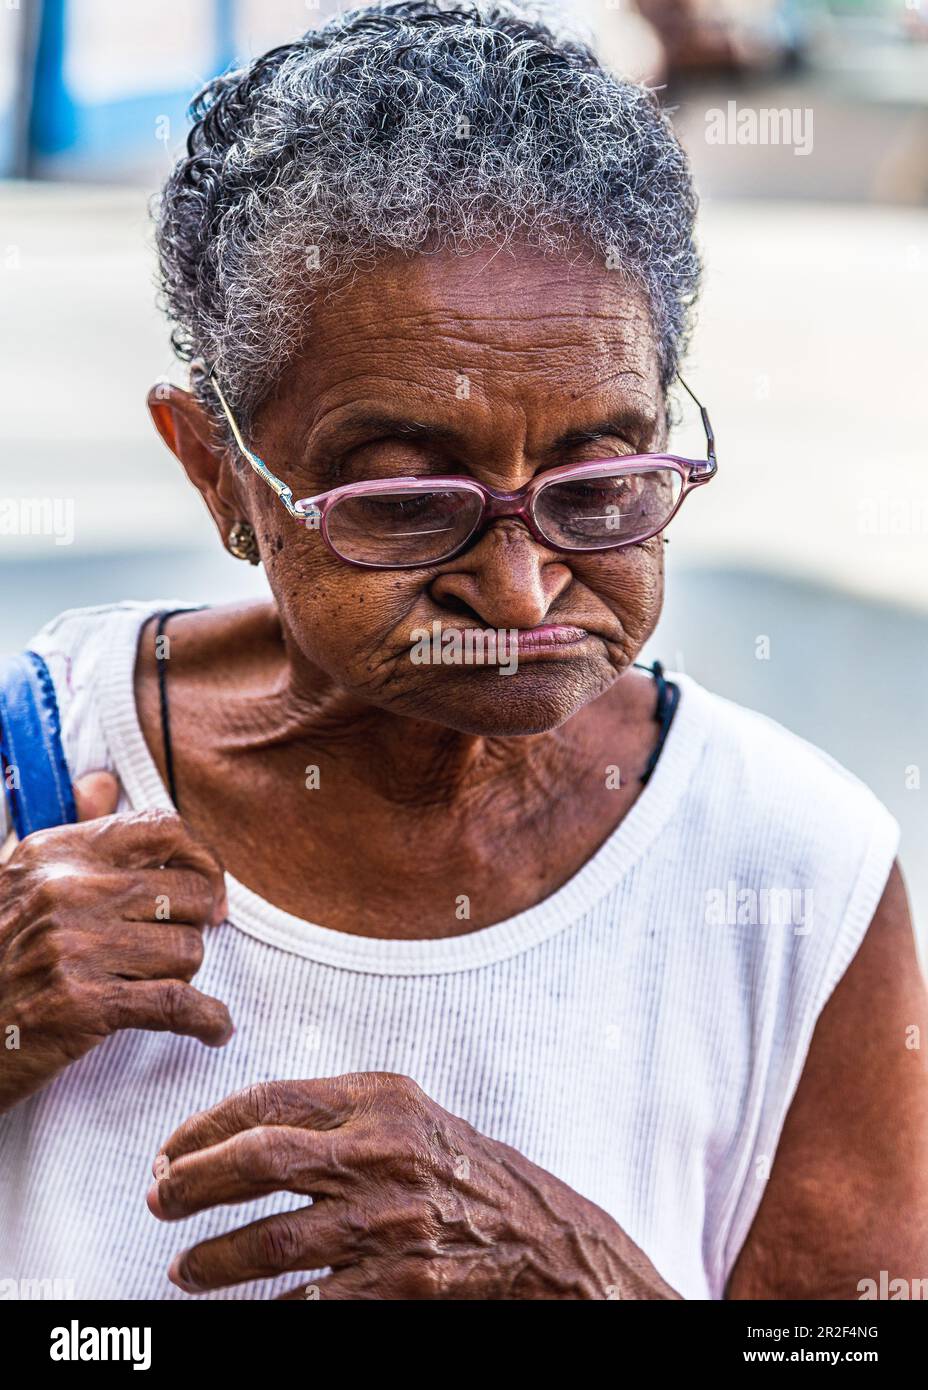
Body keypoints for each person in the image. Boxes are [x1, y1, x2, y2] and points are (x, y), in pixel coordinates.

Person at [0, 1, 924, 1301]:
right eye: (405, 501)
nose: (521, 583)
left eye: (599, 484)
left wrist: (590, 1280)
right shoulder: (30, 797)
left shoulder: (795, 872)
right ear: (218, 474)